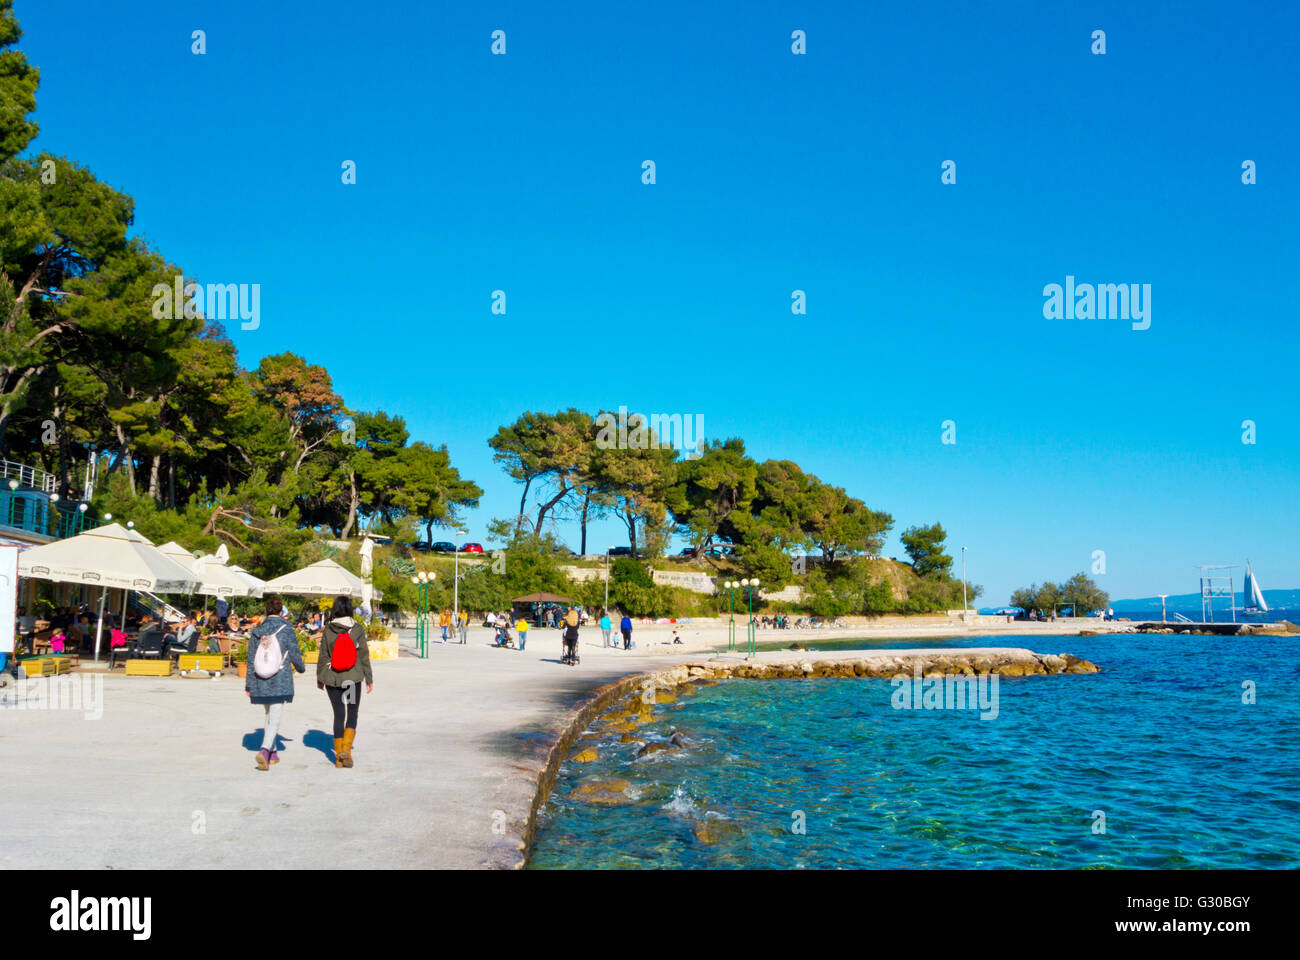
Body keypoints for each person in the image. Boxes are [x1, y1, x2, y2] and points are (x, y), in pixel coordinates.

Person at [244, 594, 305, 771]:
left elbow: (250, 660)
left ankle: (273, 753)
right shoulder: (286, 629)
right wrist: (301, 668)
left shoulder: (257, 631)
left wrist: (249, 684)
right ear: (280, 611)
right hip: (280, 677)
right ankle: (264, 751)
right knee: (275, 718)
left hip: (260, 678)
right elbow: (294, 652)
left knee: (269, 715)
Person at [317, 595, 372, 769]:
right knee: (352, 712)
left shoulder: (328, 630)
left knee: (338, 714)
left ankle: (339, 760)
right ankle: (346, 752)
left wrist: (320, 678)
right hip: (352, 679)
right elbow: (364, 655)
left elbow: (323, 656)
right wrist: (369, 678)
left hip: (332, 679)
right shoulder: (357, 629)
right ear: (349, 609)